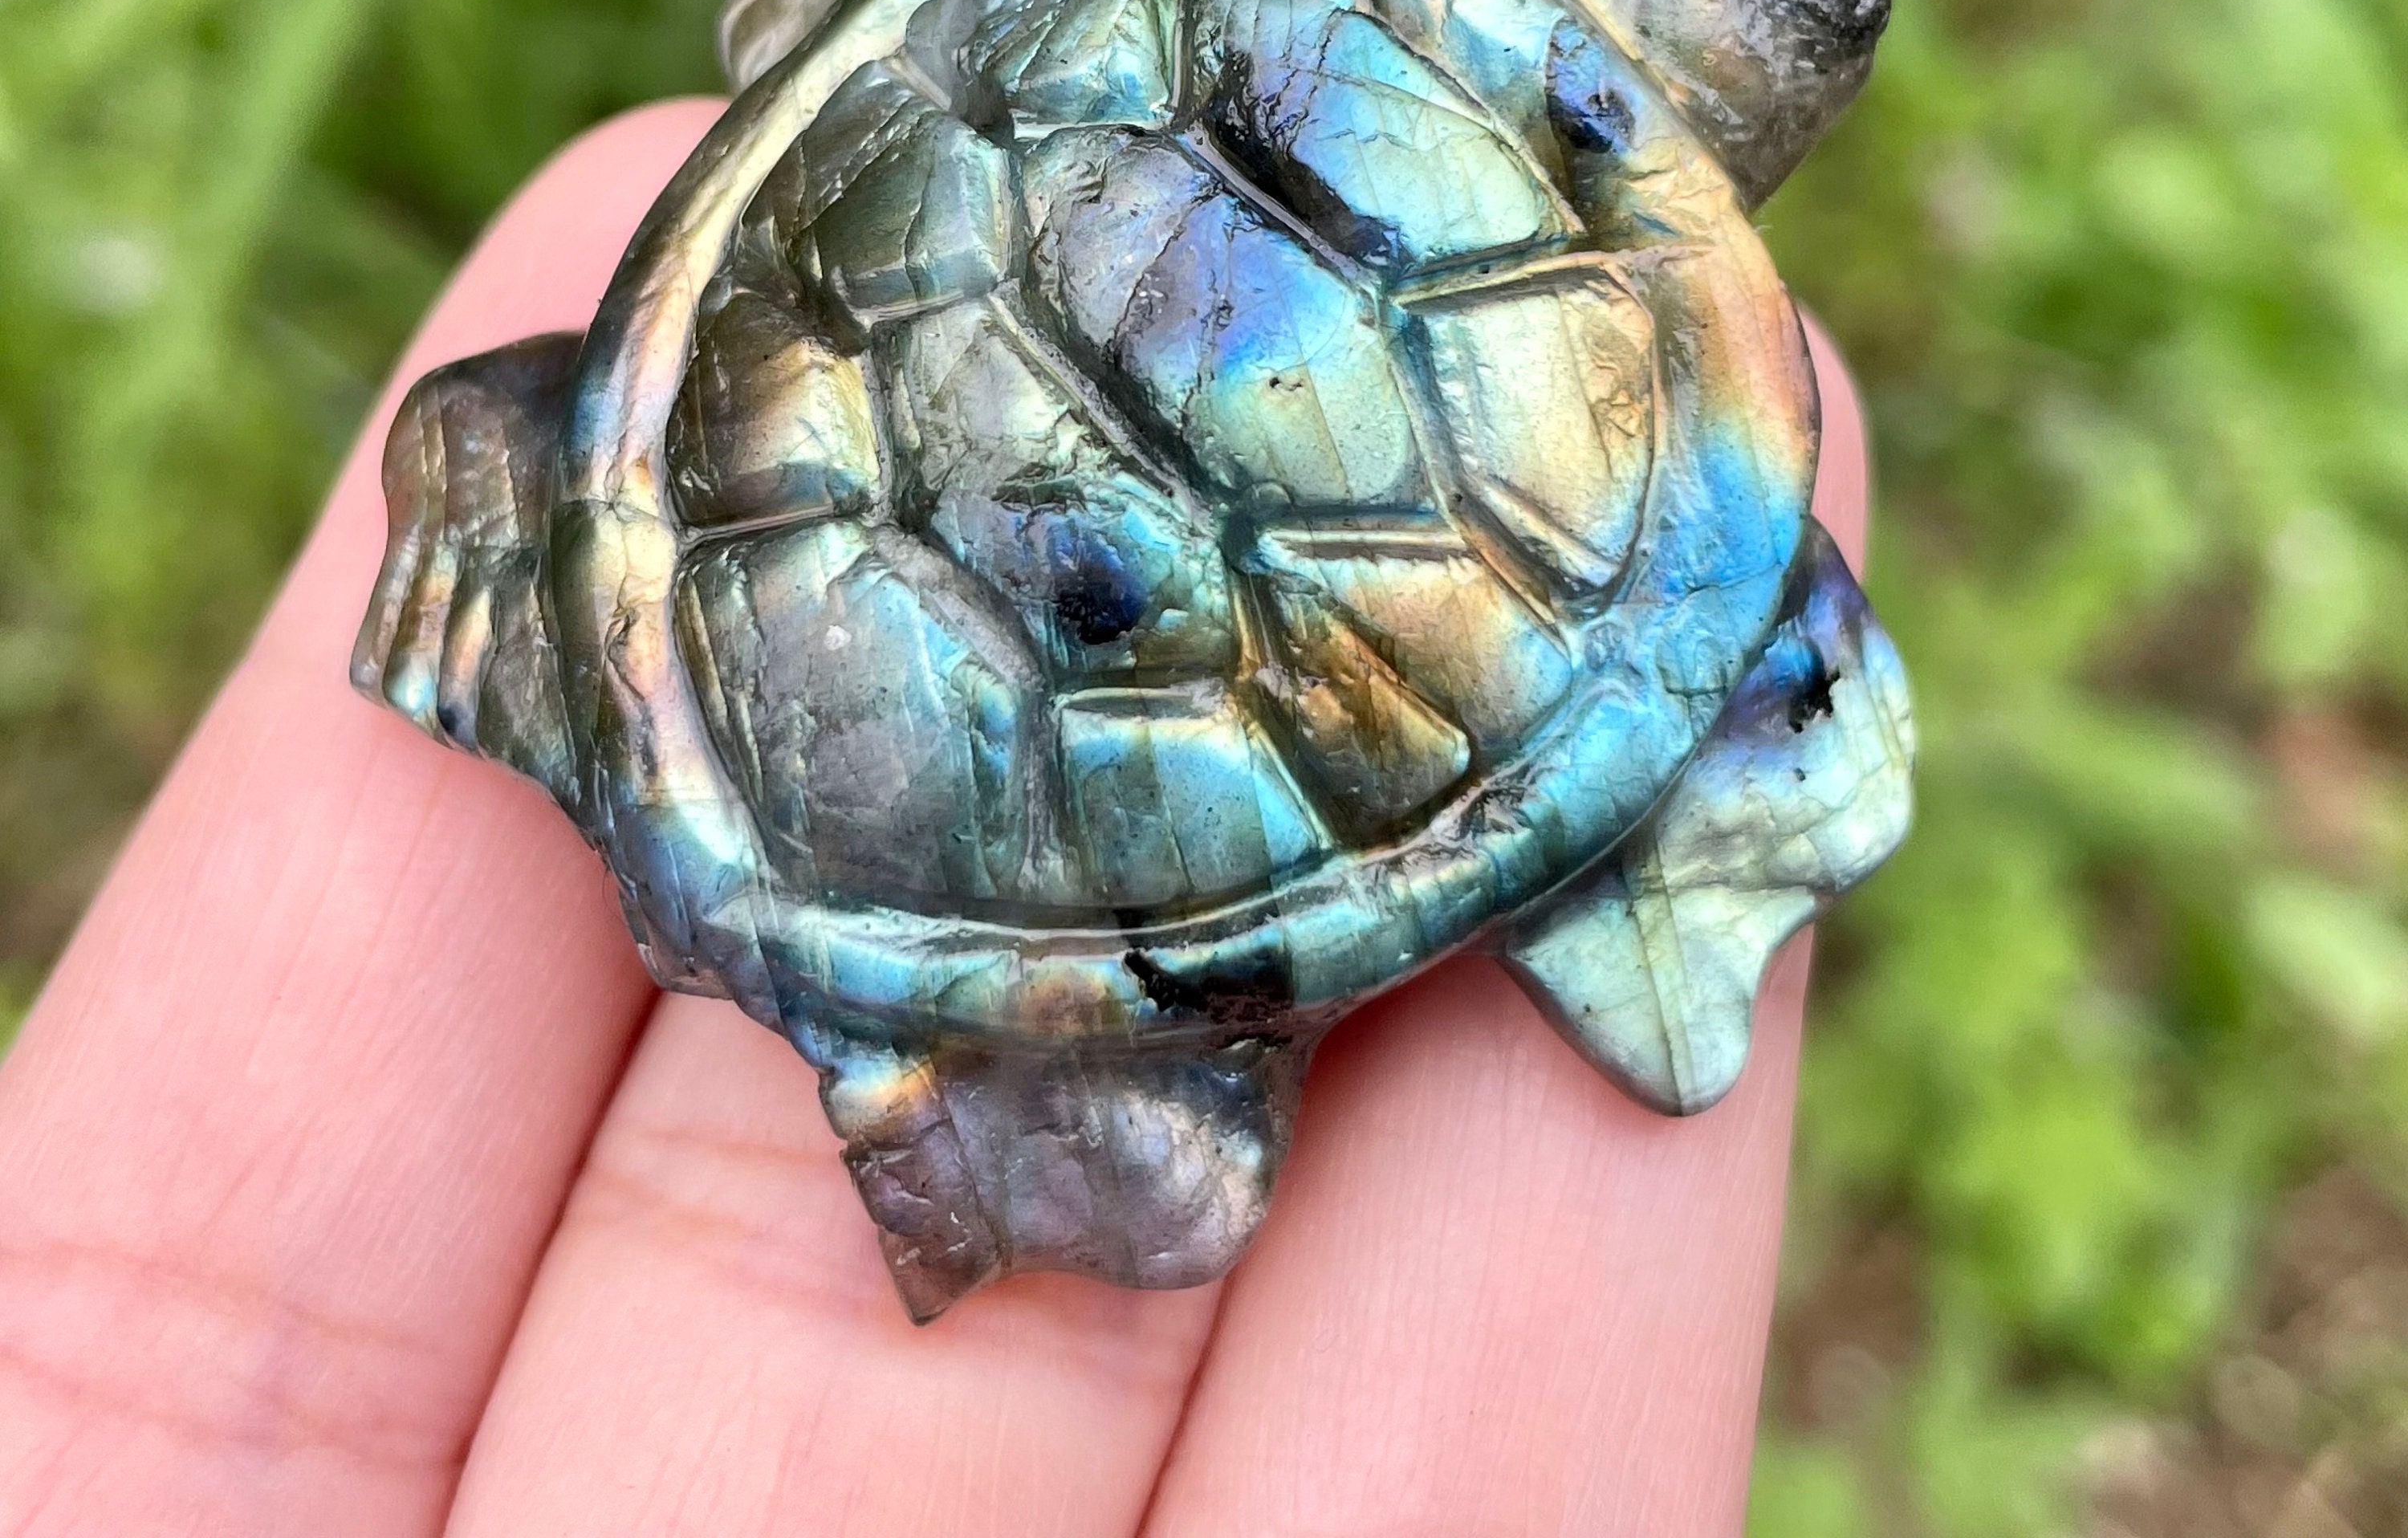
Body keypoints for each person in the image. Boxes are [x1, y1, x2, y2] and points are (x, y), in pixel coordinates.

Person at [0, 99, 1871, 1537]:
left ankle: (984, 1051)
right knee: (1193, 1137)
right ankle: (1014, 1084)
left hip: (763, 508)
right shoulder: (1685, 511)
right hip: (920, 680)